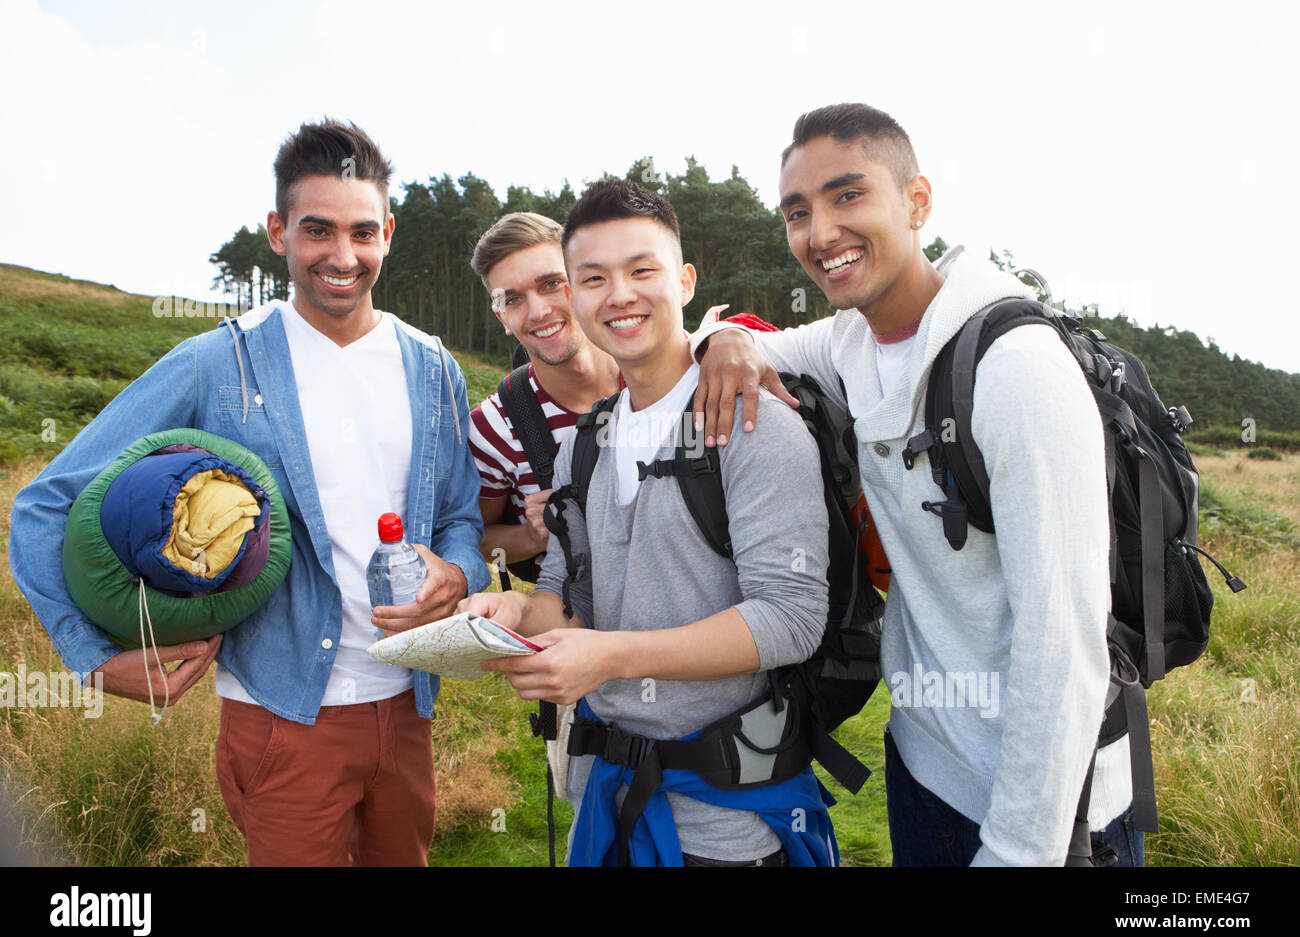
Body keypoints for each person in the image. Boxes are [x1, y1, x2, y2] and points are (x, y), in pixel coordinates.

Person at [8, 119, 489, 866]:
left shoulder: (431, 367)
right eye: (317, 230)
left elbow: (461, 514)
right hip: (282, 719)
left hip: (407, 706)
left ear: (388, 233)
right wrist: (92, 656)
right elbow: (44, 502)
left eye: (363, 233)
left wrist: (459, 573)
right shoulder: (214, 362)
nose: (342, 256)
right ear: (277, 230)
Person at [693, 102, 1134, 866]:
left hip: (1047, 805)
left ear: (918, 202)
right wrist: (723, 338)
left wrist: (1021, 849)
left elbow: (1063, 641)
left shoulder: (1016, 370)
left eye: (847, 195)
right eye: (797, 212)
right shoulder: (854, 338)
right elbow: (735, 335)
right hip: (924, 761)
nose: (820, 232)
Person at [460, 178, 837, 867]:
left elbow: (791, 618)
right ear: (575, 294)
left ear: (685, 280)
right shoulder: (580, 444)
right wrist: (510, 609)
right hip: (608, 812)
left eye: (642, 270)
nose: (620, 295)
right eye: (595, 278)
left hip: (727, 828)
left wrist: (610, 657)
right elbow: (564, 603)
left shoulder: (752, 422)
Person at [467, 212, 621, 578]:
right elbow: (477, 538)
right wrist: (532, 535)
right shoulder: (492, 429)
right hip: (576, 622)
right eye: (513, 299)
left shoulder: (661, 372)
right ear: (501, 315)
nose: (538, 311)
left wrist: (728, 338)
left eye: (552, 284)